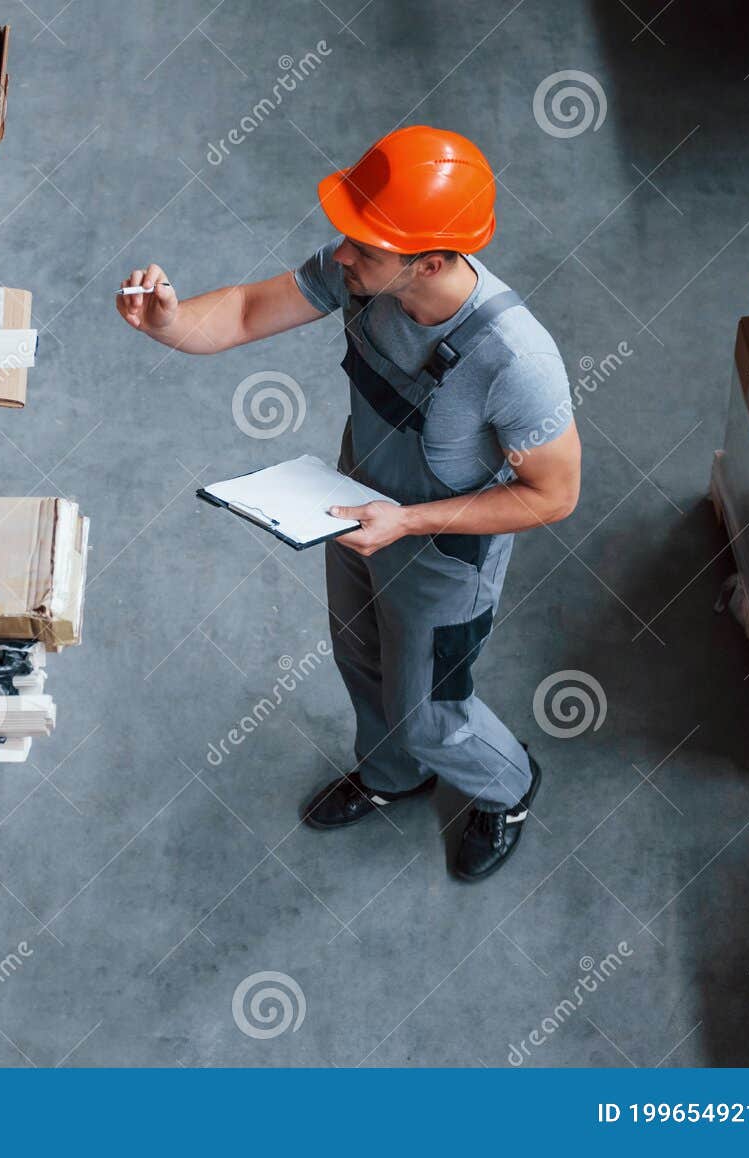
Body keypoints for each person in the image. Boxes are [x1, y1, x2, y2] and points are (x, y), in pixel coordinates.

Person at [116, 126, 580, 881]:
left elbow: (553, 495)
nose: (340, 255)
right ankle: (394, 778)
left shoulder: (516, 361)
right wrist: (167, 321)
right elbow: (239, 313)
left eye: (364, 247)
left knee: (431, 712)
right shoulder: (365, 272)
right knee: (362, 658)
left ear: (429, 263)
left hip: (441, 553)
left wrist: (408, 522)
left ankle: (508, 787)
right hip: (352, 505)